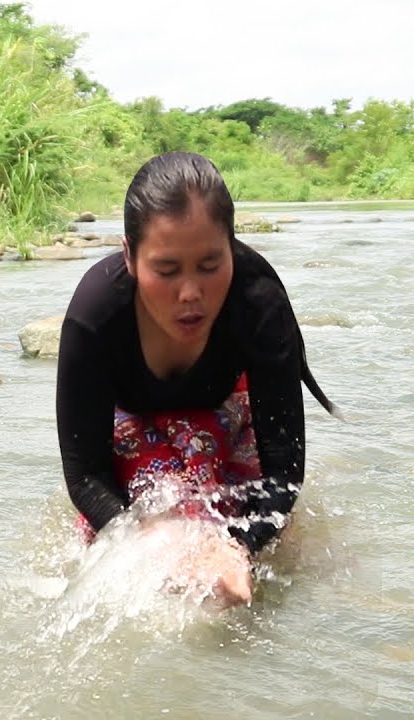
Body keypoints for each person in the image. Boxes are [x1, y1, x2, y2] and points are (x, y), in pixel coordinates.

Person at [55, 151, 339, 607]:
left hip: (224, 408)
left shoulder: (259, 303)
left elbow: (284, 473)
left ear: (232, 245)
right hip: (131, 418)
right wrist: (148, 541)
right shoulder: (94, 317)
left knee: (259, 538)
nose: (191, 293)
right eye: (166, 271)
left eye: (210, 266)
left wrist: (238, 548)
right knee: (155, 528)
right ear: (129, 255)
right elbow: (85, 475)